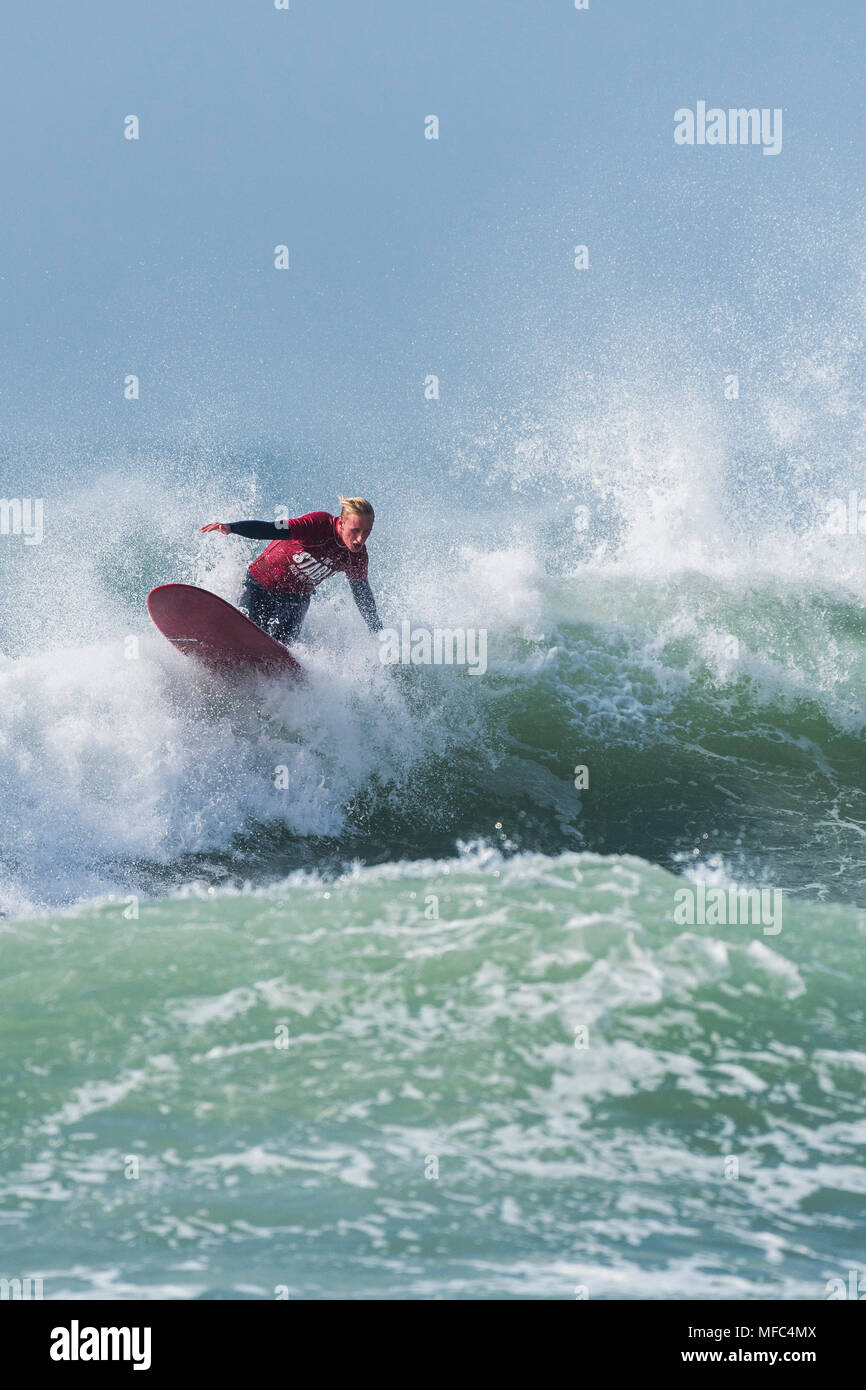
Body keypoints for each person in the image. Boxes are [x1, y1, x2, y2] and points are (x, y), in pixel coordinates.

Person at [200, 496, 382, 645]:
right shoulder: (317, 524)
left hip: (296, 599)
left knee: (280, 649)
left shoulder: (357, 557)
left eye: (367, 532)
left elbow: (361, 593)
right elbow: (270, 529)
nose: (360, 539)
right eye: (355, 530)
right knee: (245, 636)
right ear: (341, 523)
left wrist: (376, 630)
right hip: (260, 584)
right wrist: (233, 527)